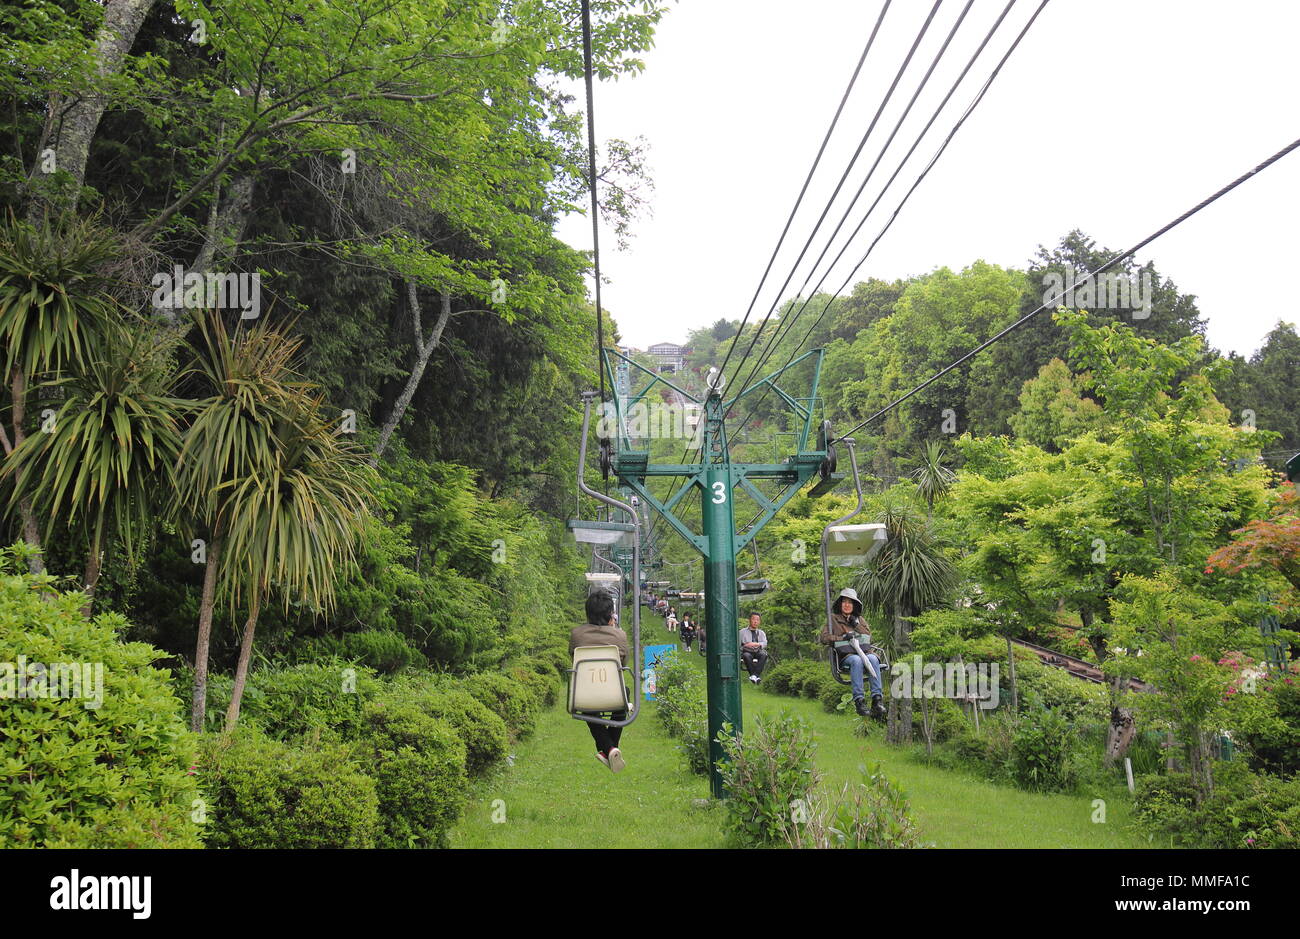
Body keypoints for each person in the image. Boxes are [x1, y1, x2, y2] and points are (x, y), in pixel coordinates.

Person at [569, 590, 630, 772]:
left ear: (587, 613)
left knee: (589, 705)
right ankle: (610, 747)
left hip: (584, 695)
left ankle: (608, 749)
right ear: (611, 614)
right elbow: (624, 662)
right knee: (624, 693)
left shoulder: (577, 635)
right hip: (614, 695)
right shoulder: (619, 636)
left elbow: (573, 657)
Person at [820, 587, 886, 718]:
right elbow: (824, 638)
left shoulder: (860, 620)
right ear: (840, 604)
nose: (847, 605)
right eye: (844, 601)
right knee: (856, 661)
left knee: (873, 659)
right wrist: (842, 638)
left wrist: (855, 624)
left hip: (864, 653)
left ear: (854, 605)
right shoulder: (833, 619)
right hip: (847, 656)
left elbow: (868, 636)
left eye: (850, 602)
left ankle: (877, 700)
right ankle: (859, 701)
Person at [739, 612, 768, 684]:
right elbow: (738, 645)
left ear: (759, 622)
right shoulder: (742, 632)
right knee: (746, 655)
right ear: (749, 620)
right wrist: (746, 645)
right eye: (754, 619)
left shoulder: (761, 632)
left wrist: (756, 644)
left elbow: (765, 643)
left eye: (757, 620)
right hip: (747, 651)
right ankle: (756, 676)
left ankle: (754, 676)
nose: (755, 621)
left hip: (758, 651)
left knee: (763, 654)